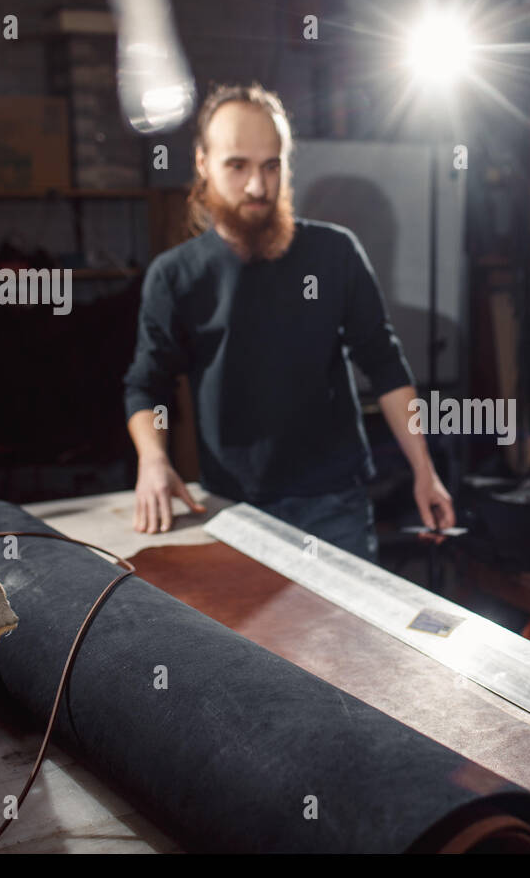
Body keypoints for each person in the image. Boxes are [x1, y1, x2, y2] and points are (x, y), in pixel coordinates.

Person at [123, 83, 454, 560]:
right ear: (203, 164)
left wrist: (424, 469)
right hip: (231, 504)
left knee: (345, 636)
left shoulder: (335, 253)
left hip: (333, 503)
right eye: (237, 166)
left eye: (271, 165)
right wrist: (153, 460)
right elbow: (146, 386)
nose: (257, 186)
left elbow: (385, 364)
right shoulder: (175, 276)